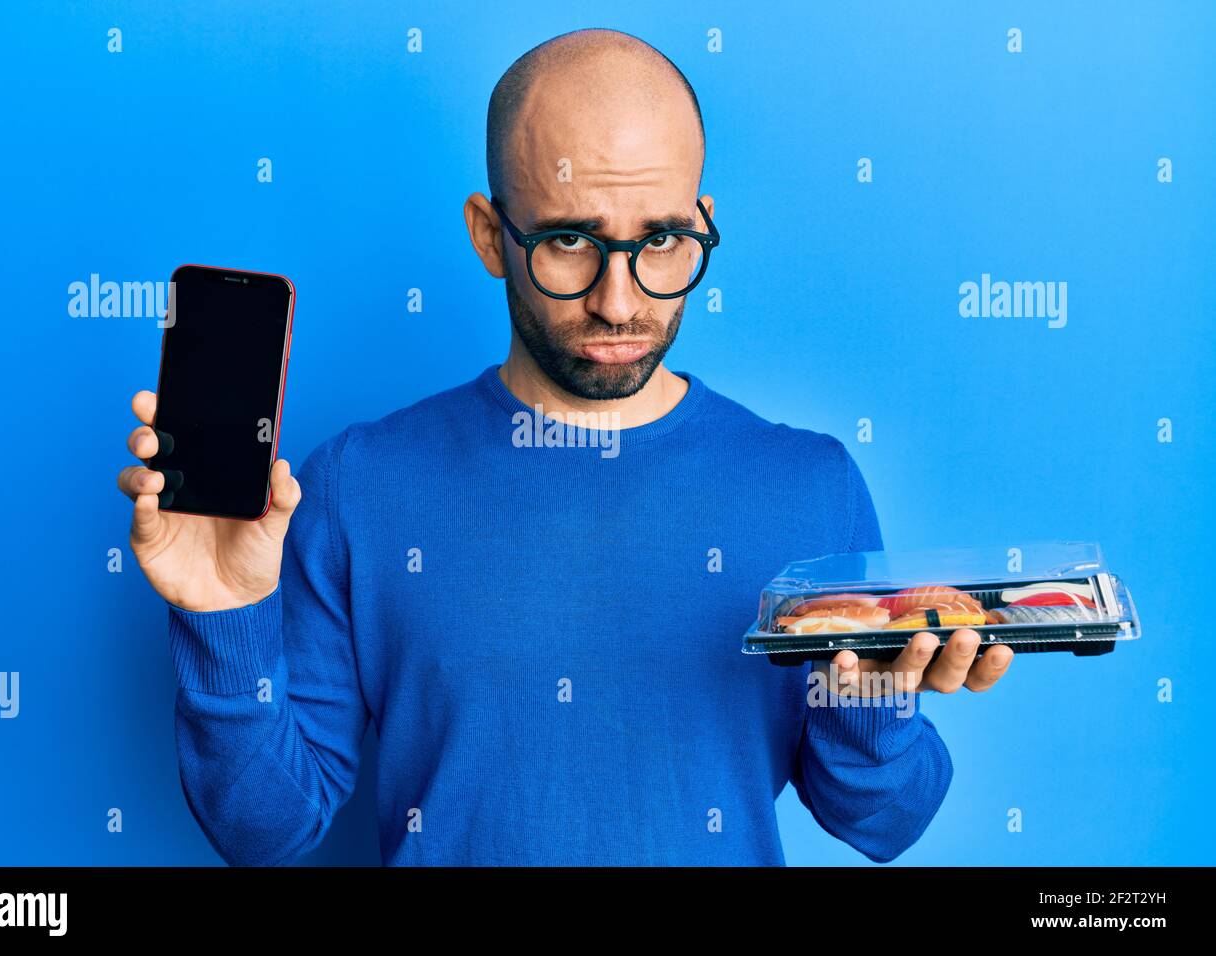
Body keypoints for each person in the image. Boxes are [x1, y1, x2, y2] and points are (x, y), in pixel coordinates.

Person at [117, 28, 1012, 866]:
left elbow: (886, 820)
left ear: (703, 221)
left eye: (661, 240)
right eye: (570, 240)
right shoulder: (357, 485)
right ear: (489, 235)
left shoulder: (810, 485)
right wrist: (222, 617)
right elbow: (265, 829)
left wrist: (873, 699)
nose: (620, 303)